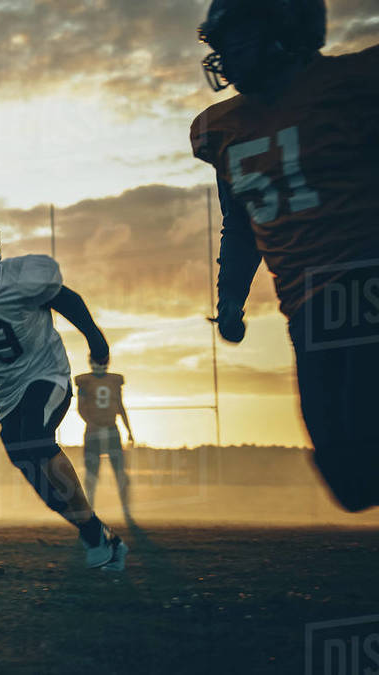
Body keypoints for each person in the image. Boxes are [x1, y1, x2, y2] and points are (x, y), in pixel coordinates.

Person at [192, 0, 379, 511]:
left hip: (366, 274)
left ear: (283, 27)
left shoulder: (354, 85)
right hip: (306, 302)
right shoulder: (223, 129)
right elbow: (242, 222)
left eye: (237, 36)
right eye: (219, 42)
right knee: (351, 482)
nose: (226, 54)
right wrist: (230, 296)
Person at [0, 210, 128, 571]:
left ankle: (94, 534)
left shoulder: (23, 278)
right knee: (27, 463)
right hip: (7, 393)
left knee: (35, 439)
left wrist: (96, 339)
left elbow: (67, 301)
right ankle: (94, 532)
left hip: (48, 375)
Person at [74, 358, 134, 524]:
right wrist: (128, 430)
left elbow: (120, 405)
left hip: (106, 428)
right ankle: (90, 508)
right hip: (101, 429)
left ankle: (125, 508)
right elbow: (81, 407)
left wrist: (128, 429)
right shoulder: (89, 382)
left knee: (118, 471)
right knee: (93, 472)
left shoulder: (111, 381)